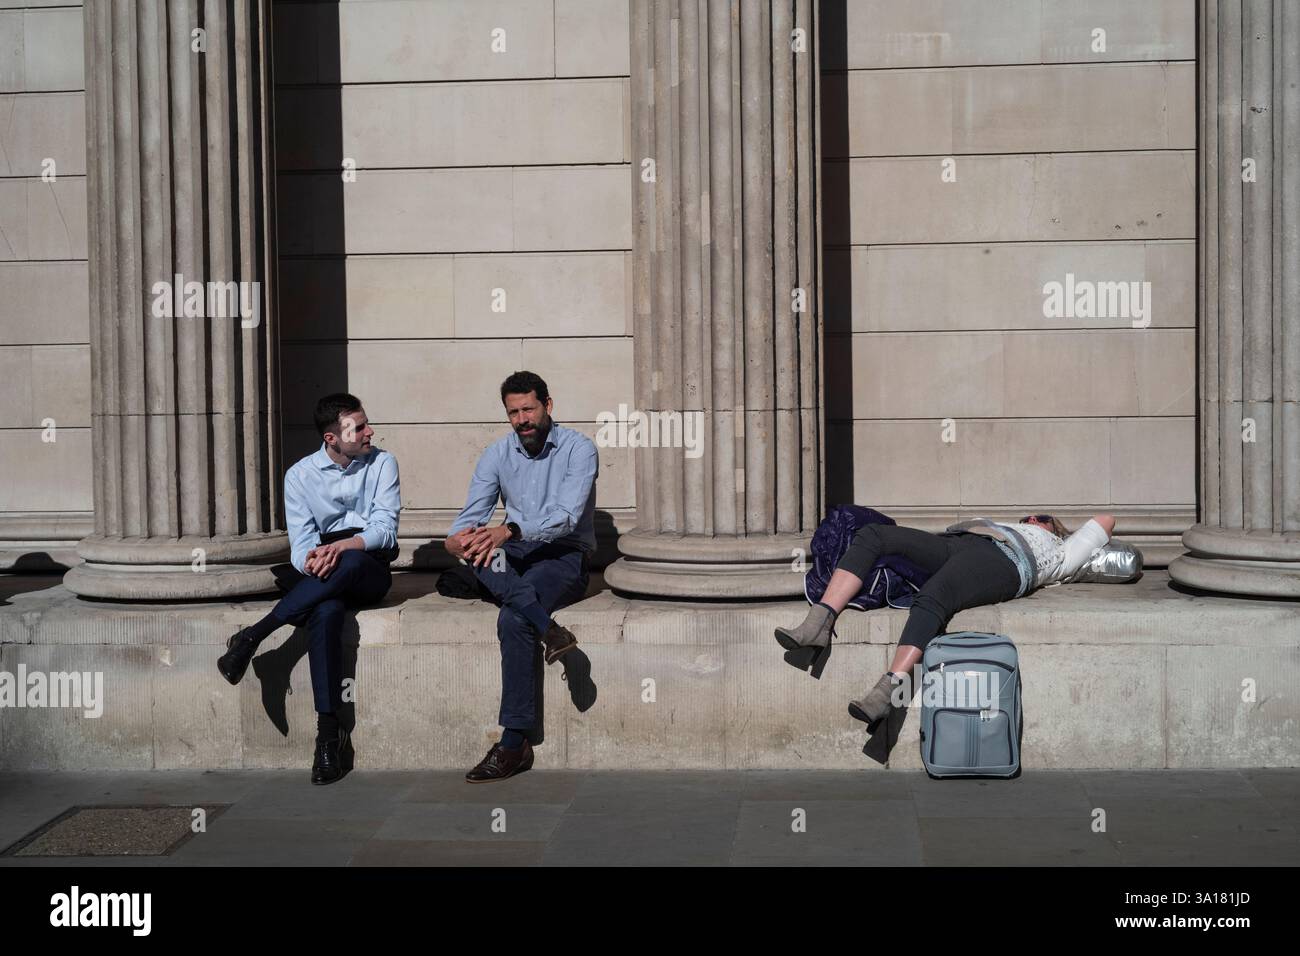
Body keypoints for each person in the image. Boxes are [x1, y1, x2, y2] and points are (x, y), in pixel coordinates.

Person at [775, 512, 1115, 728]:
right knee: (875, 535)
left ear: (1055, 529)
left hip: (1004, 565)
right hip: (957, 545)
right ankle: (818, 622)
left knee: (934, 597)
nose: (1030, 519)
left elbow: (1106, 520)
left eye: (1040, 516)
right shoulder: (1003, 526)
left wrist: (1065, 534)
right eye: (1027, 516)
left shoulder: (1063, 552)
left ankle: (888, 690)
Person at [217, 393, 400, 785]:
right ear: (332, 438)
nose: (370, 432)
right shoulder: (300, 475)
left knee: (349, 561)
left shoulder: (383, 463)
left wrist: (342, 547)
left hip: (368, 567)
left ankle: (254, 636)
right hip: (323, 572)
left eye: (367, 423)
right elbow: (301, 547)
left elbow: (384, 531)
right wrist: (314, 559)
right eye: (359, 427)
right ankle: (328, 735)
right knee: (327, 611)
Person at [445, 371, 597, 783]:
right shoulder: (496, 454)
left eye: (528, 409)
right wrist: (457, 542)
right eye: (513, 412)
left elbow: (566, 519)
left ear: (548, 405)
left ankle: (513, 744)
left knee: (513, 618)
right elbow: (468, 520)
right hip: (513, 554)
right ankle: (550, 629)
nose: (521, 419)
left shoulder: (579, 450)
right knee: (479, 554)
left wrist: (508, 530)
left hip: (563, 556)